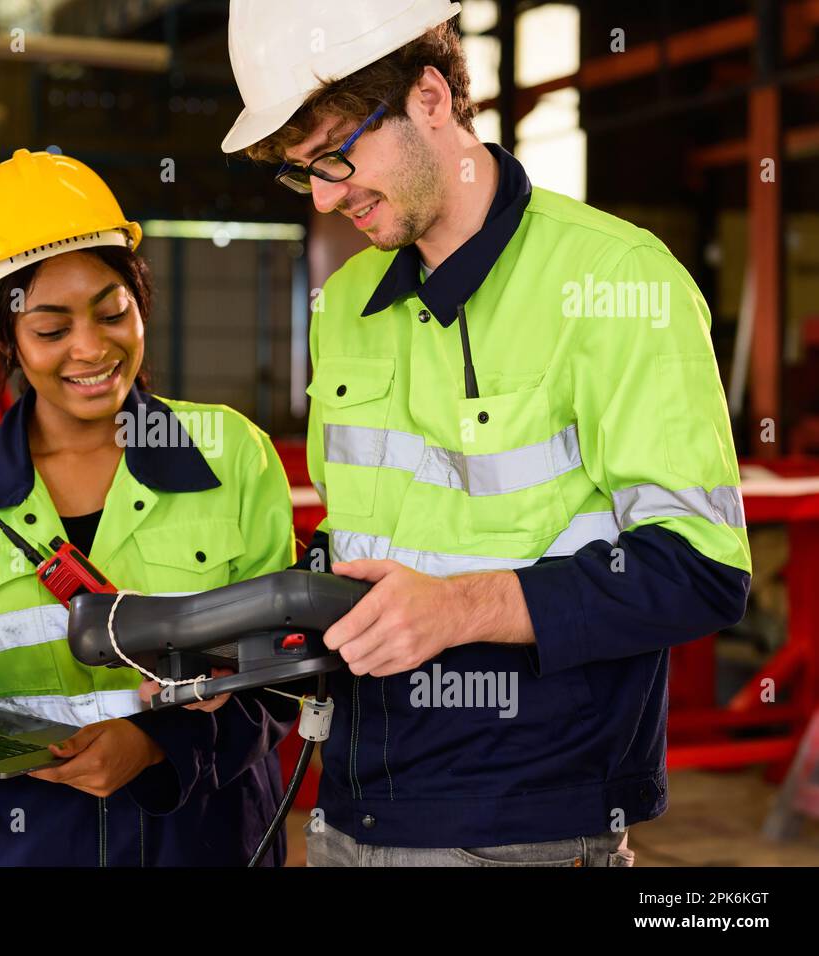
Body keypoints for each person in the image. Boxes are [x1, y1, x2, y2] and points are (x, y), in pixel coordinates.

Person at [221, 0, 750, 866]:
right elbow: (364, 540)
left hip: (524, 828)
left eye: (336, 156)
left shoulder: (619, 282)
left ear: (430, 97)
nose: (323, 195)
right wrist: (243, 650)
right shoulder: (348, 304)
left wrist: (459, 608)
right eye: (299, 171)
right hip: (350, 809)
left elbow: (699, 569)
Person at [0, 148, 299, 866]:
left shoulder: (230, 456)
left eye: (112, 313)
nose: (92, 350)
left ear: (141, 301)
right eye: (52, 329)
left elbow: (280, 676)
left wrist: (157, 749)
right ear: (4, 336)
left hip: (199, 839)